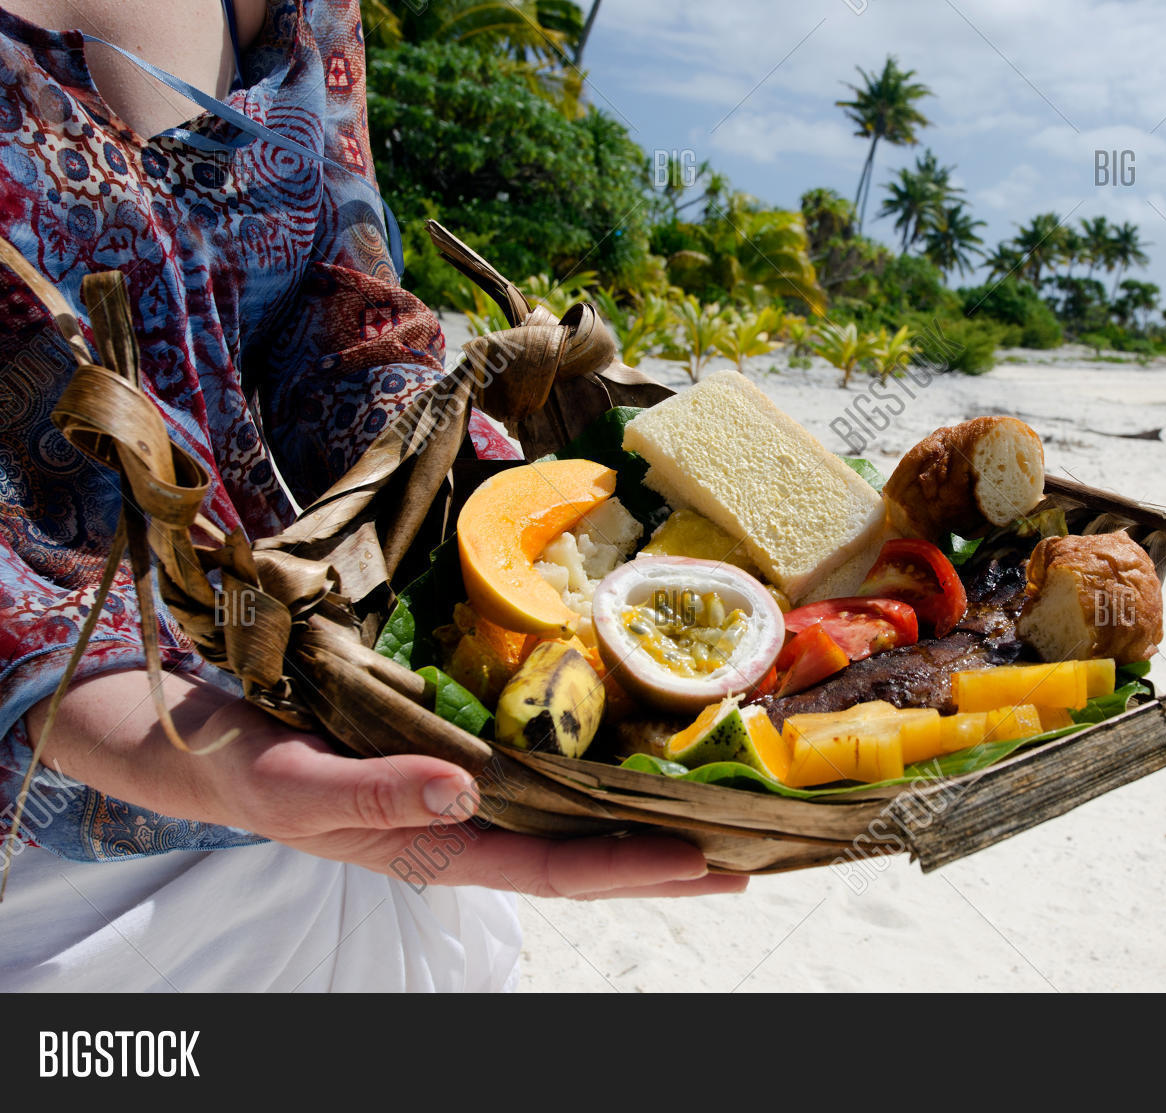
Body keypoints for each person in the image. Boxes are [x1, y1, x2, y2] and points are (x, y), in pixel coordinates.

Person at [0, 0, 745, 992]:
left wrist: (494, 501)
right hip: (59, 869)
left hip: (359, 764)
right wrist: (109, 704)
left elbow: (343, 321)